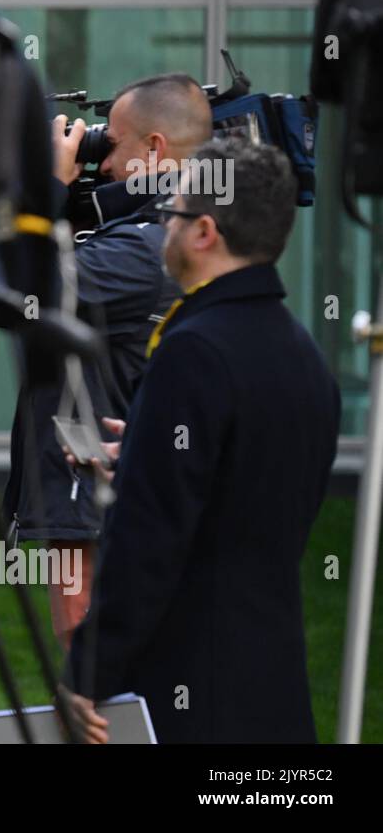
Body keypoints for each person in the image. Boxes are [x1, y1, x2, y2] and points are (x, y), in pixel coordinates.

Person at [60, 139, 340, 743]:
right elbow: (249, 492)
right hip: (274, 688)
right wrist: (145, 453)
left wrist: (87, 671)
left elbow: (149, 540)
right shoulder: (303, 355)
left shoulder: (194, 351)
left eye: (173, 213)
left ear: (204, 232)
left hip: (191, 691)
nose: (164, 223)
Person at [0, 73, 213, 648]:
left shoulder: (142, 248)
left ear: (154, 150)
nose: (101, 165)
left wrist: (42, 192)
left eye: (113, 144)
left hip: (93, 477)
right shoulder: (163, 232)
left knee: (89, 655)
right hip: (116, 472)